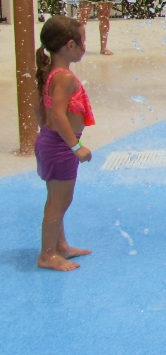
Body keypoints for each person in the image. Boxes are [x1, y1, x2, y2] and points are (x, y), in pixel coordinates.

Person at [34, 15, 94, 272]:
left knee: (55, 198)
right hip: (60, 146)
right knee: (60, 201)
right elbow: (57, 115)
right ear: (70, 46)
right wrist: (74, 147)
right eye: (82, 41)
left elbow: (40, 109)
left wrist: (44, 136)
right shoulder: (64, 78)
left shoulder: (52, 73)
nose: (84, 46)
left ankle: (60, 245)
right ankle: (47, 255)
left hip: (51, 142)